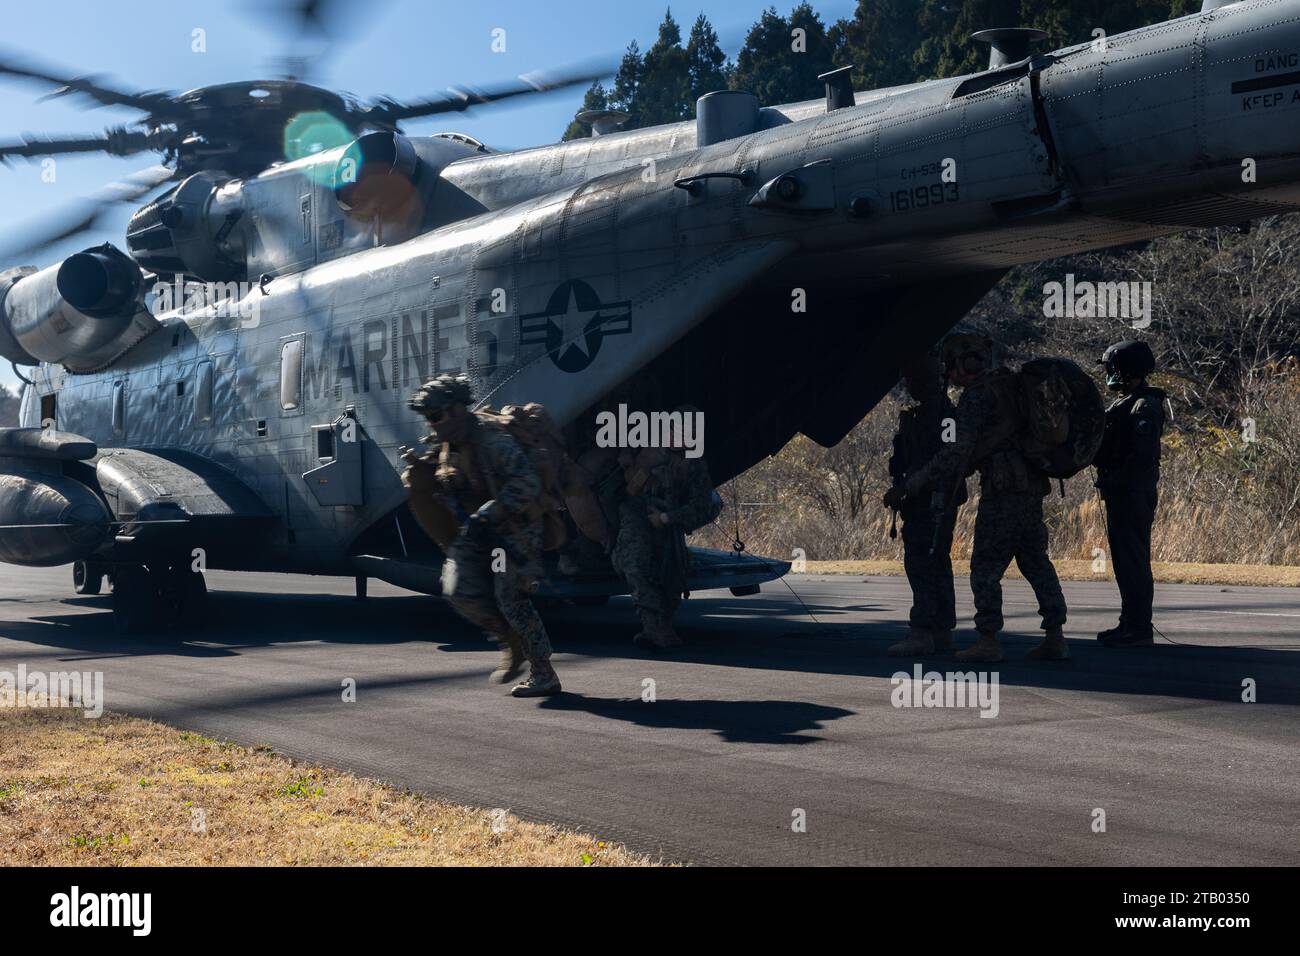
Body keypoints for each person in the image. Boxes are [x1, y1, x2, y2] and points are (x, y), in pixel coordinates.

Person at [904, 334, 1068, 663]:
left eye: (951, 367)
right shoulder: (1013, 387)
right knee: (1036, 563)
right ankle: (1055, 636)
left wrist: (917, 481)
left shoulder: (978, 396)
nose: (949, 375)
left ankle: (988, 639)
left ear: (963, 364)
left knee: (985, 568)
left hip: (1003, 491)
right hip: (1032, 490)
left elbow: (957, 451)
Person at [407, 374, 561, 697]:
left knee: (511, 598)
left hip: (512, 530)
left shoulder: (494, 441)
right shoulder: (449, 446)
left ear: (457, 410)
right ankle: (511, 640)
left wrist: (490, 512)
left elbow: (528, 483)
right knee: (457, 591)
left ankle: (543, 673)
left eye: (436, 416)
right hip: (477, 530)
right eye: (428, 419)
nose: (432, 425)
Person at [609, 408, 716, 651]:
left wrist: (668, 518)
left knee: (674, 571)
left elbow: (701, 506)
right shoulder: (648, 451)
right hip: (638, 516)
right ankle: (653, 627)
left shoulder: (694, 464)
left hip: (668, 521)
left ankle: (661, 626)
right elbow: (627, 489)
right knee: (635, 563)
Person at [882, 352, 966, 656]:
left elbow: (946, 460)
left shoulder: (942, 415)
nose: (910, 385)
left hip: (933, 501)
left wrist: (907, 487)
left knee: (923, 563)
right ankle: (941, 631)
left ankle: (923, 631)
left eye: (914, 379)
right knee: (936, 563)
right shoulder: (927, 413)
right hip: (925, 500)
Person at [1093, 340, 1165, 648]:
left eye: (1112, 368)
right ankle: (1130, 623)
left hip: (1131, 493)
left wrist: (1119, 477)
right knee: (1126, 560)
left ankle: (1137, 627)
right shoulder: (1133, 402)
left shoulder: (1142, 406)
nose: (1110, 374)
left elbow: (1142, 454)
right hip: (1124, 491)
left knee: (1132, 560)